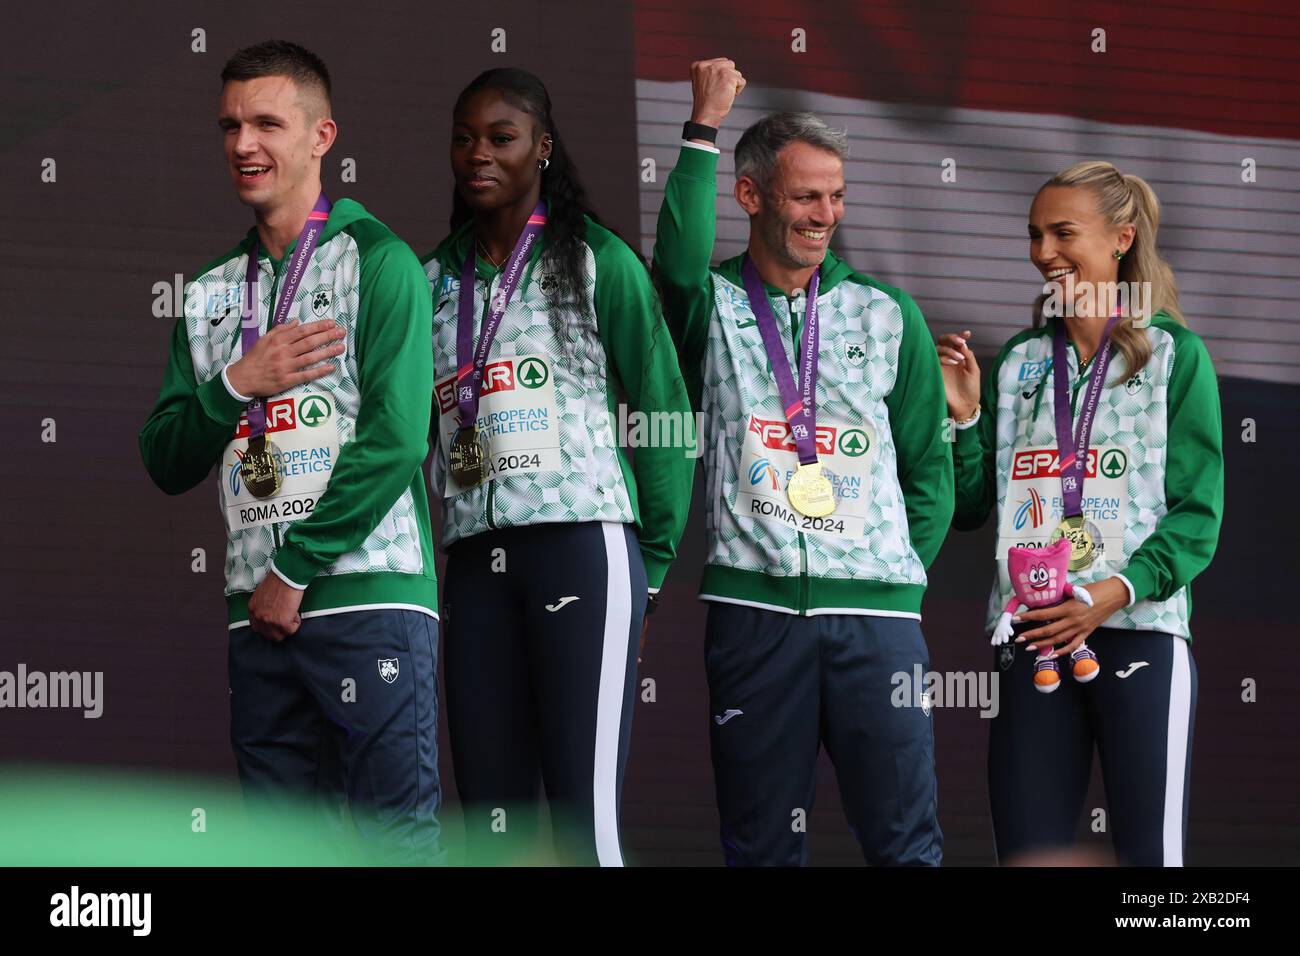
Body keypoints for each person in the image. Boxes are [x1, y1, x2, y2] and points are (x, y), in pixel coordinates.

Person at [138, 40, 441, 863]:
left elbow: (396, 441)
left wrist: (294, 569)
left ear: (321, 136)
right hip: (255, 616)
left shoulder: (377, 261)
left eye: (268, 122)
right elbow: (165, 458)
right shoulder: (207, 291)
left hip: (364, 596)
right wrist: (236, 382)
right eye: (231, 125)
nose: (244, 144)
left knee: (395, 846)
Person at [654, 58, 953, 866]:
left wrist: (892, 571)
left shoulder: (887, 314)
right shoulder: (711, 305)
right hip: (755, 618)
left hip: (877, 622)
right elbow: (674, 267)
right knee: (758, 848)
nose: (826, 214)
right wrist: (703, 131)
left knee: (906, 845)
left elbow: (928, 468)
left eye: (837, 195)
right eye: (806, 195)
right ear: (750, 196)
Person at [421, 68, 695, 867]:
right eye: (464, 138)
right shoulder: (433, 279)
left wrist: (650, 570)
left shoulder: (595, 260)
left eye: (501, 138)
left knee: (583, 823)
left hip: (583, 548)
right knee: (490, 826)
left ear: (543, 148)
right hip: (473, 561)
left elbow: (666, 411)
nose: (479, 155)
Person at [938, 161, 1224, 866]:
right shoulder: (1018, 363)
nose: (1043, 252)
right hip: (1034, 636)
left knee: (1149, 866)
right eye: (1035, 235)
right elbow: (974, 508)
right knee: (1027, 856)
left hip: (1138, 632)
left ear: (1122, 238)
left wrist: (1107, 595)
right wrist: (967, 417)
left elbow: (1198, 516)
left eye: (1064, 232)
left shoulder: (1173, 357)